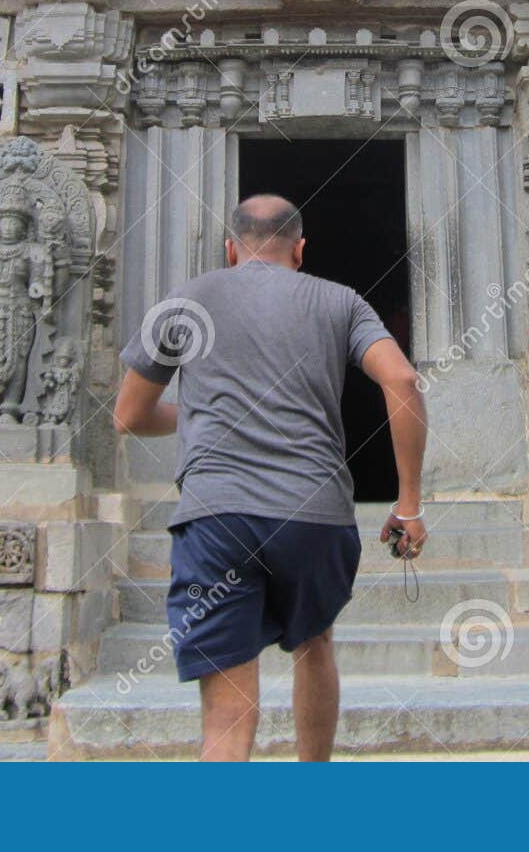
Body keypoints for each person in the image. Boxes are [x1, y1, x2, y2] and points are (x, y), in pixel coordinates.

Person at [114, 193, 428, 762]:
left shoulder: (185, 299)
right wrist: (408, 503)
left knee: (228, 716)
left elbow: (128, 416)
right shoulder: (341, 302)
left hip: (217, 518)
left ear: (230, 249)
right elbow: (402, 382)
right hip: (315, 514)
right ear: (300, 249)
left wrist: (210, 416)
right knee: (315, 644)